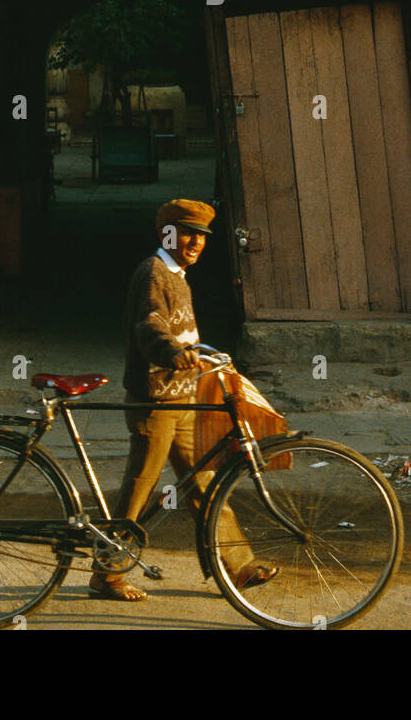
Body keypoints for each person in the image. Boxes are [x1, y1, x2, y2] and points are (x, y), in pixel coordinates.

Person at [88, 198, 278, 602]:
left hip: (182, 398)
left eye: (201, 236)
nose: (194, 242)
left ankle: (237, 567)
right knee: (139, 490)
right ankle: (107, 575)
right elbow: (150, 324)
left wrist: (200, 355)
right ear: (165, 234)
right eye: (186, 233)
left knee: (205, 482)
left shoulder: (178, 273)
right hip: (154, 400)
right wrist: (171, 353)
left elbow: (181, 330)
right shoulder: (154, 272)